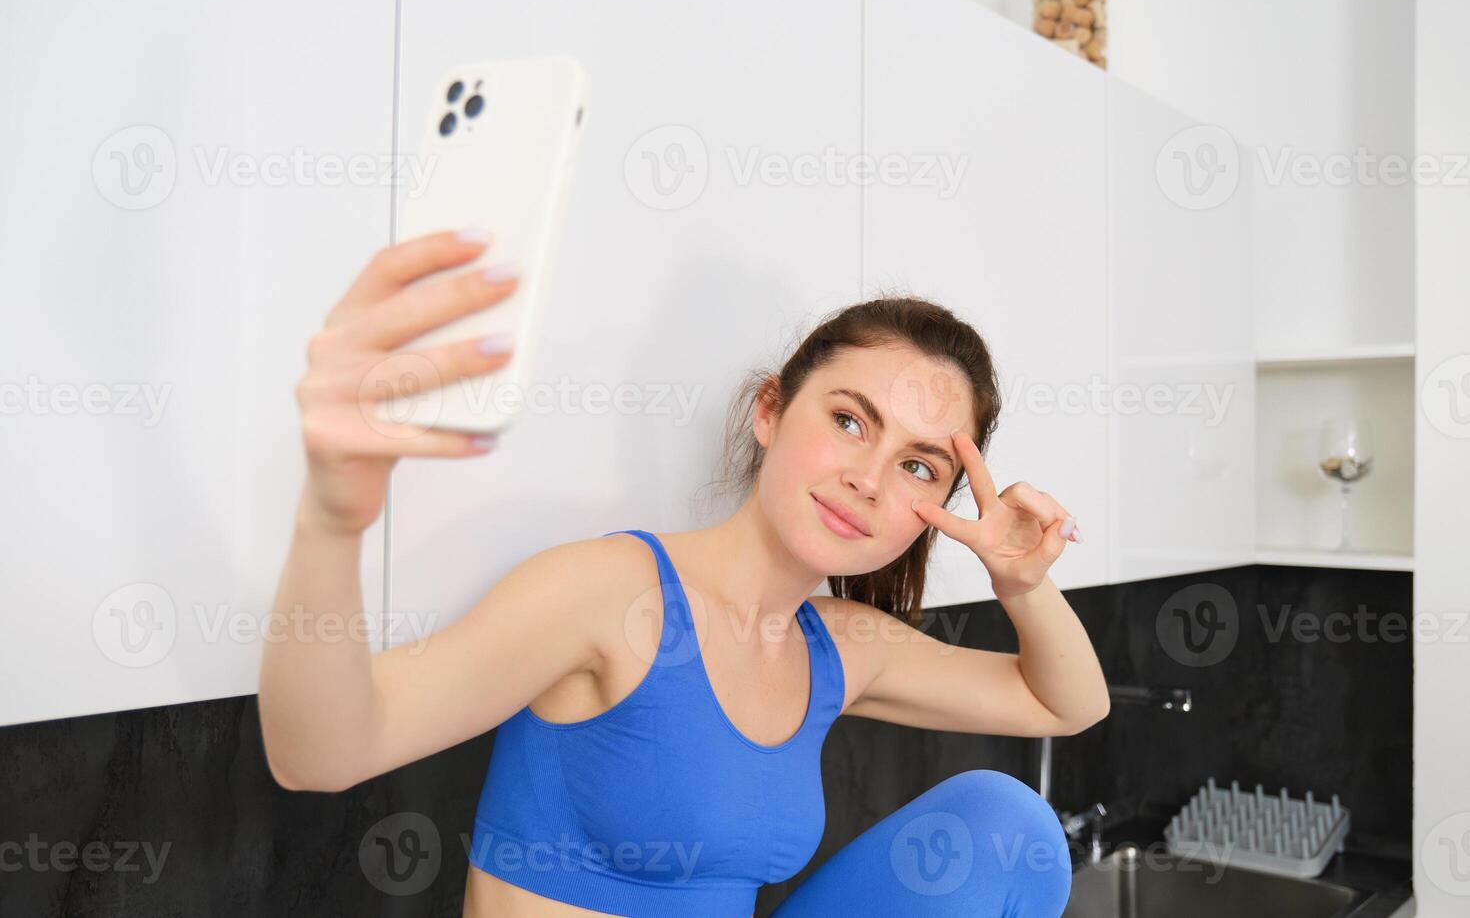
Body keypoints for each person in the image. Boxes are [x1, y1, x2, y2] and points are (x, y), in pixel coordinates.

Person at [258, 228, 1111, 917]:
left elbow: (1067, 703)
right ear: (771, 410)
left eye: (919, 467)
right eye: (851, 421)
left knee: (1011, 832)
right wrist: (332, 520)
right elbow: (323, 752)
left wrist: (1023, 584)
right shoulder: (611, 595)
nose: (871, 479)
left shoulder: (840, 649)